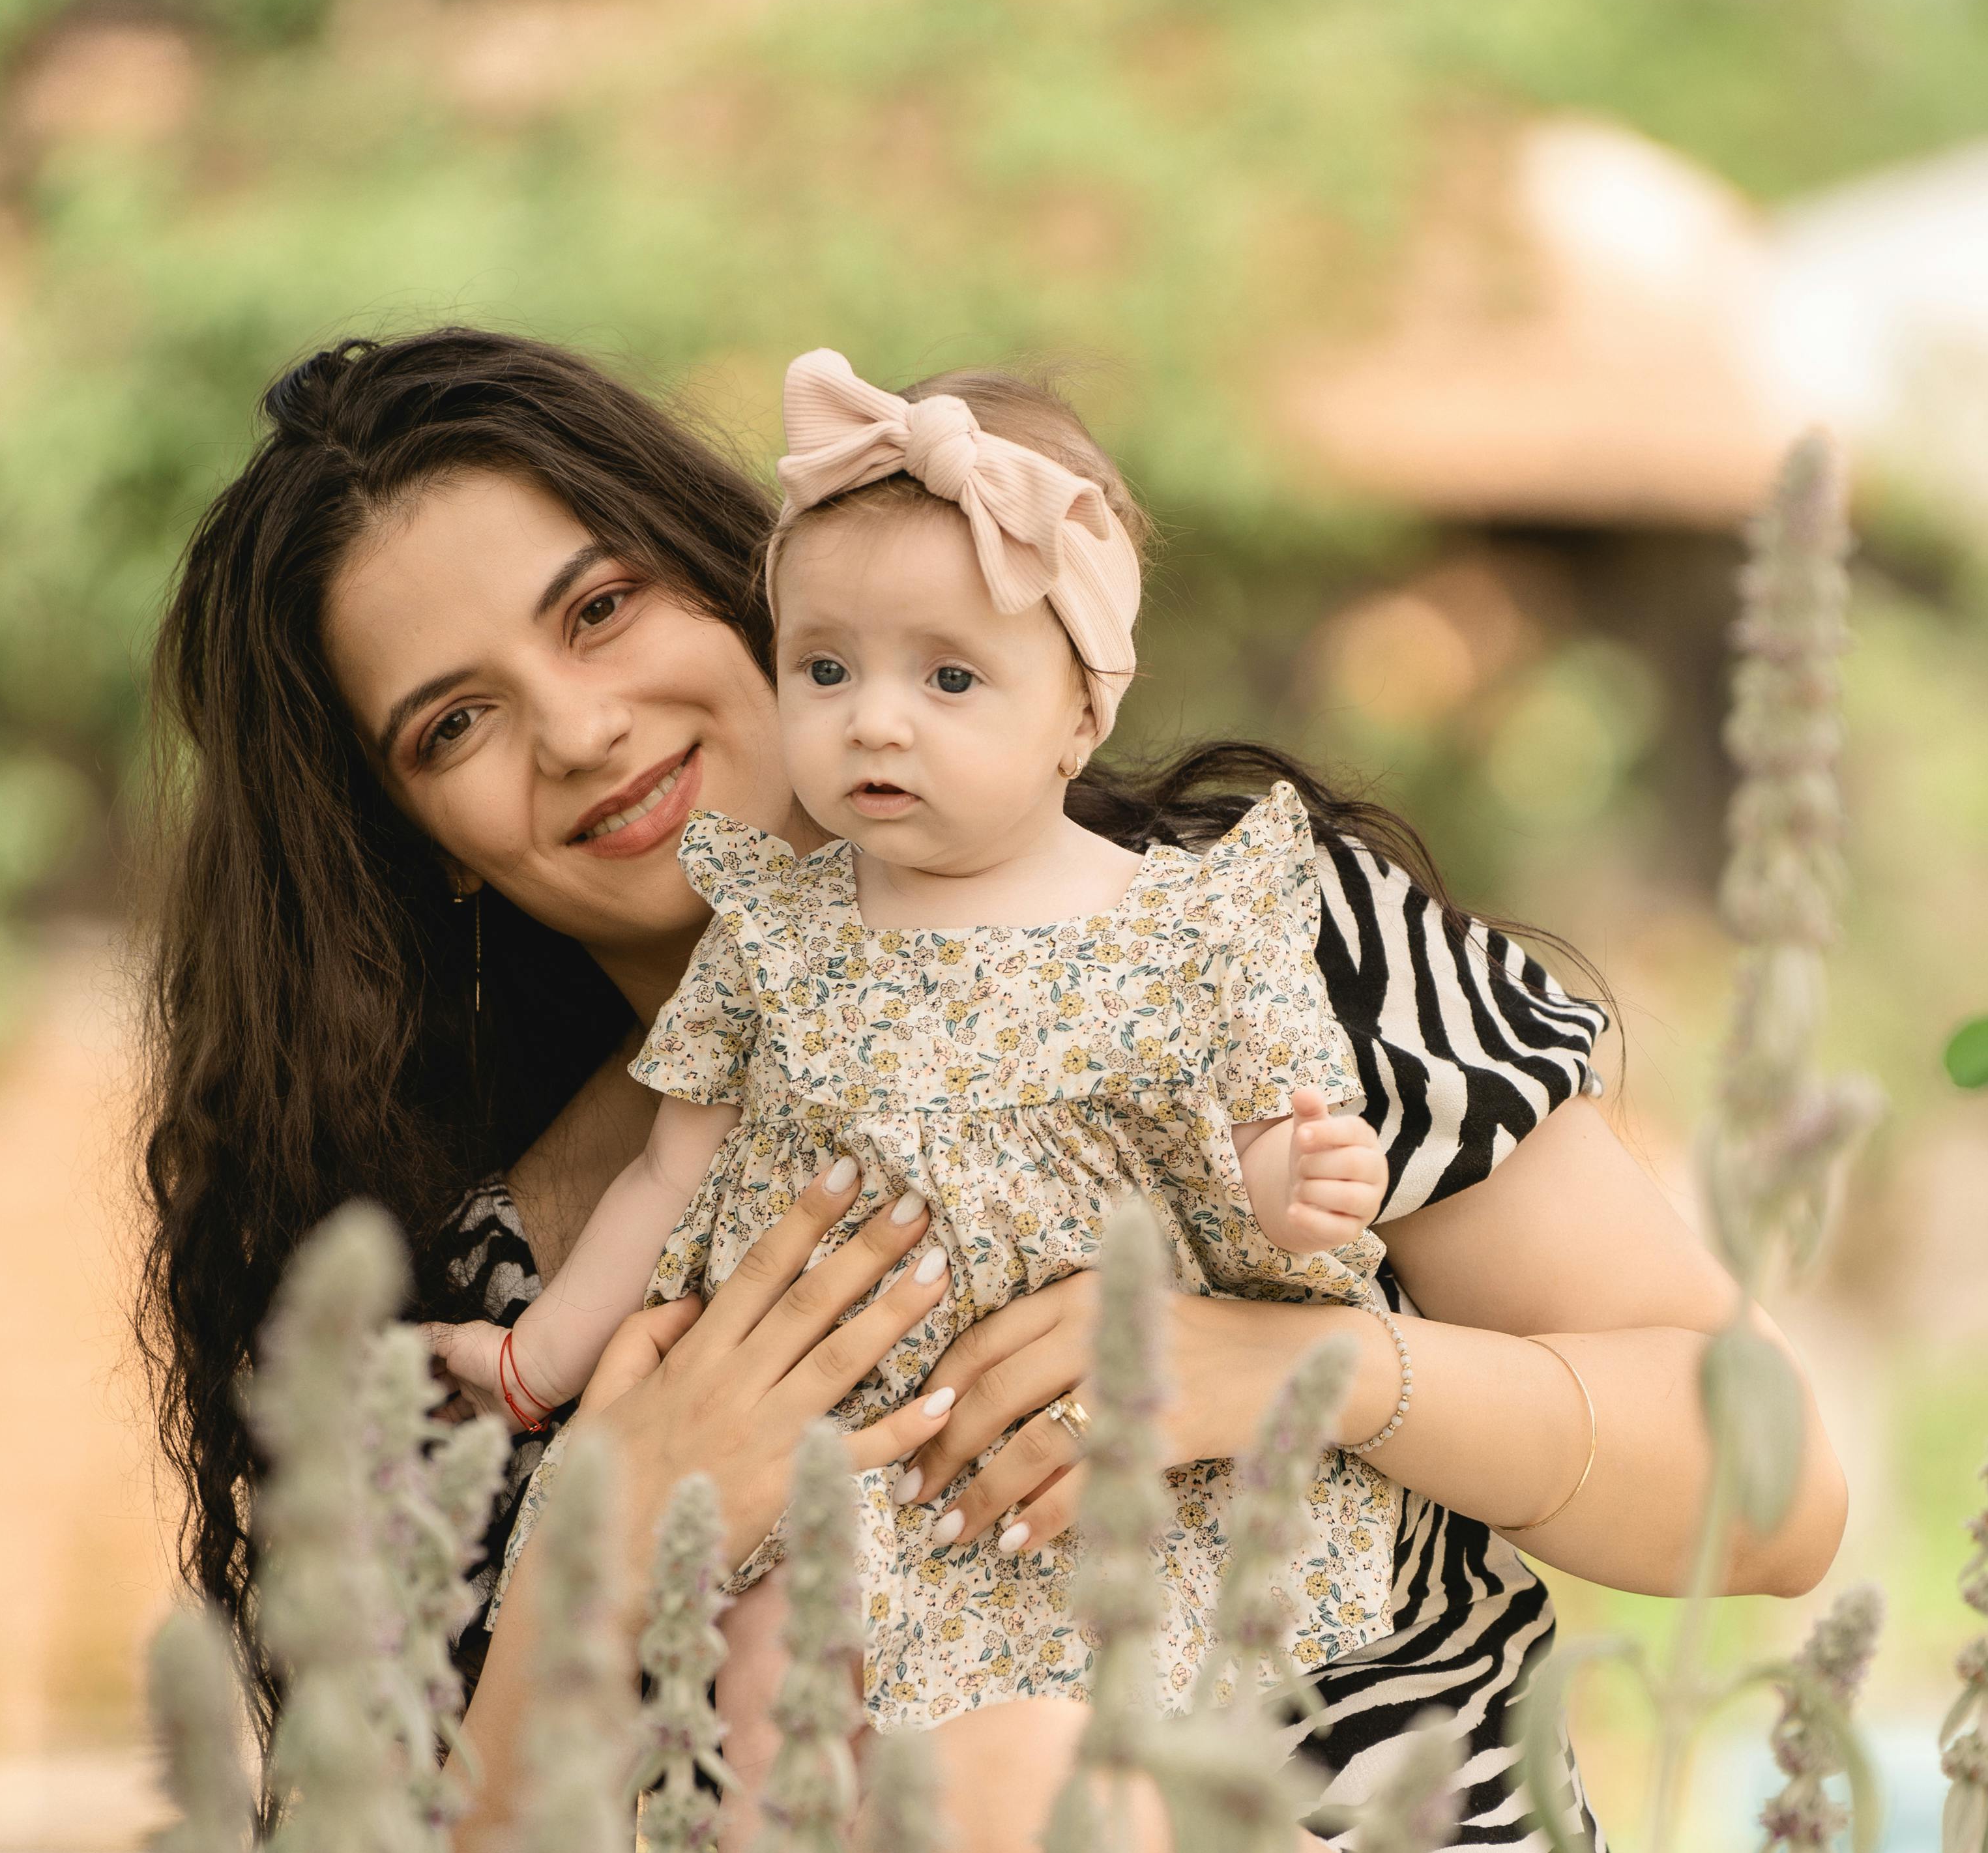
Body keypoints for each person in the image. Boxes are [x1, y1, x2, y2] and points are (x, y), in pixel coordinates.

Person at [137, 327, 1851, 1853]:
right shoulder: (468, 1303)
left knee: (1035, 1830)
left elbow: (1776, 1493)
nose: (584, 728)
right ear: (410, 842)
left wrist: (1312, 1370)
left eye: (601, 609)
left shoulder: (1248, 947)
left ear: (741, 576)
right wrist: (591, 1569)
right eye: (455, 722)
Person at [433, 348, 1404, 1725]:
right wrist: (536, 1363)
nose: (873, 718)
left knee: (1079, 1748)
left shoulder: (1186, 921)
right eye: (824, 668)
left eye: (949, 678)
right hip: (814, 1460)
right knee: (766, 1693)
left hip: (1058, 1472)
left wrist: (1299, 1186)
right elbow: (668, 1177)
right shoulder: (775, 928)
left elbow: (1239, 1156)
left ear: (1080, 707)